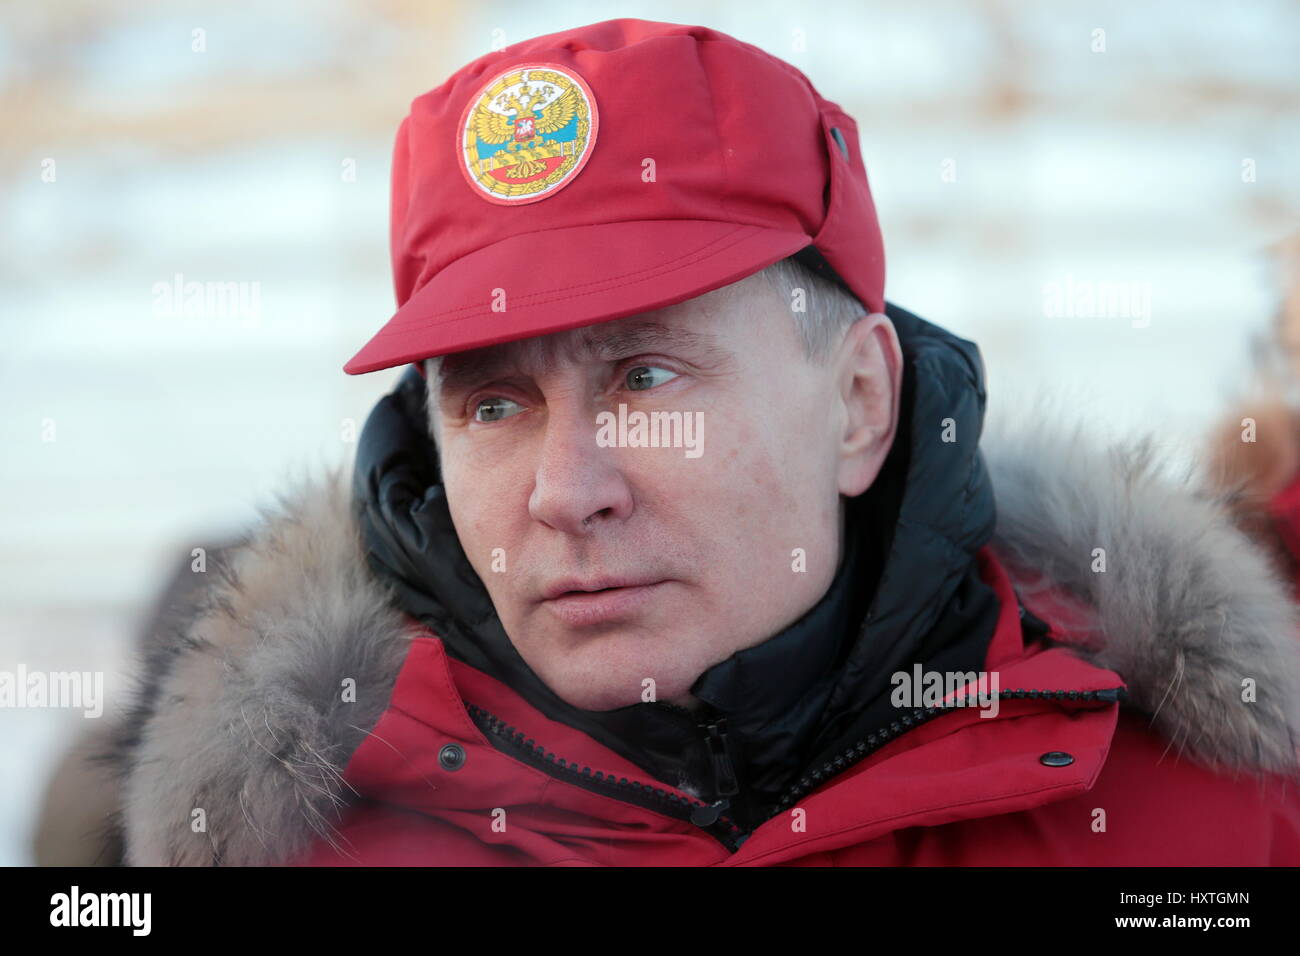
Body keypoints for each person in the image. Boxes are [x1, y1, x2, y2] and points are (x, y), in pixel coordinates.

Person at [96, 18, 1300, 866]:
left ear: (859, 403)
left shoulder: (1224, 825)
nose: (567, 493)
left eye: (646, 374)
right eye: (494, 404)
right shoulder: (308, 846)